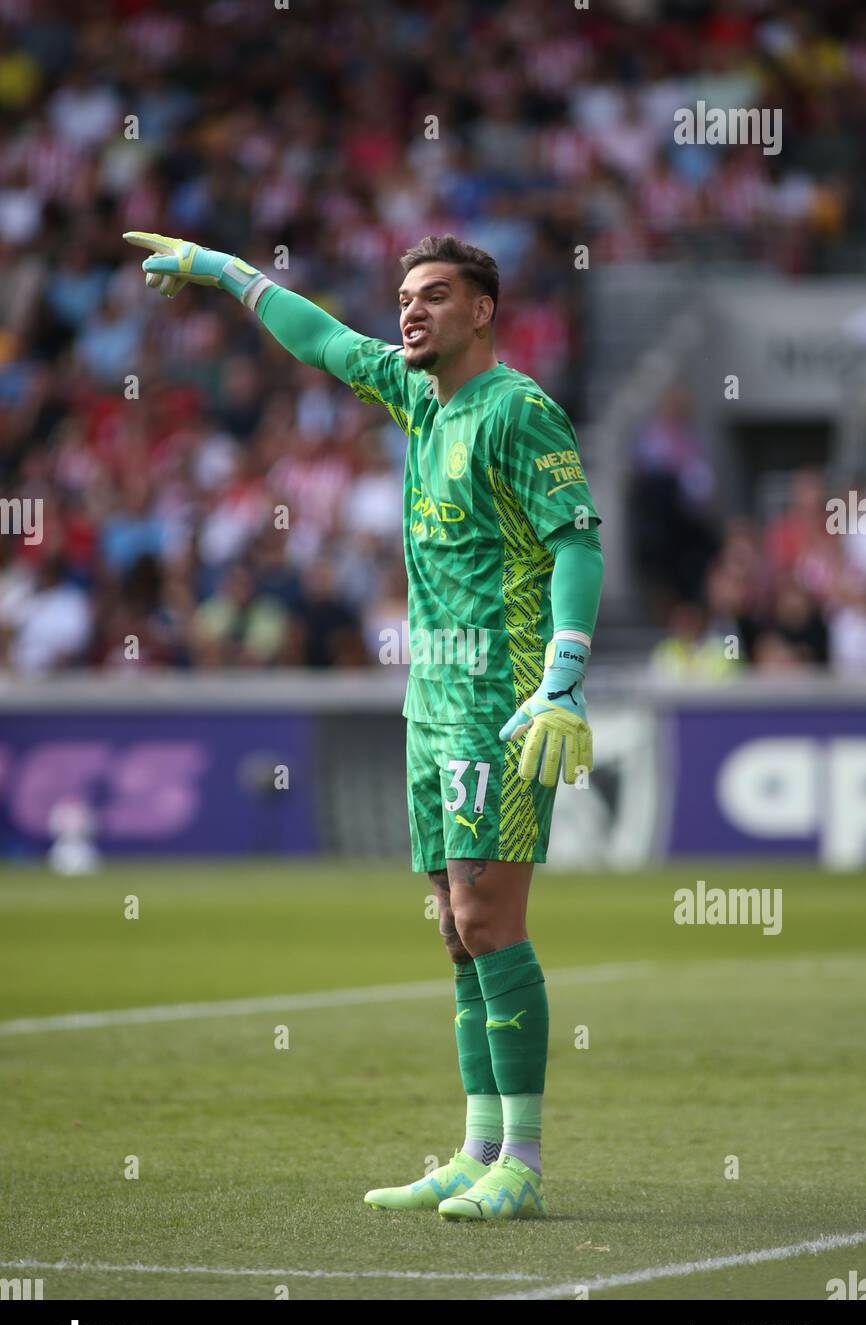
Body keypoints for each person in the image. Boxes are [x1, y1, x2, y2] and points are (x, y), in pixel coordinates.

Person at [124, 230, 604, 1221]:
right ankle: (475, 1149)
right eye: (404, 295)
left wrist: (560, 676)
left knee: (486, 919)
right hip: (426, 701)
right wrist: (222, 270)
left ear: (482, 308)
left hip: (498, 699)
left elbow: (575, 543)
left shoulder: (517, 410)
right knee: (451, 930)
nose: (411, 310)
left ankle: (522, 1158)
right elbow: (319, 338)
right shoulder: (412, 393)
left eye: (435, 294)